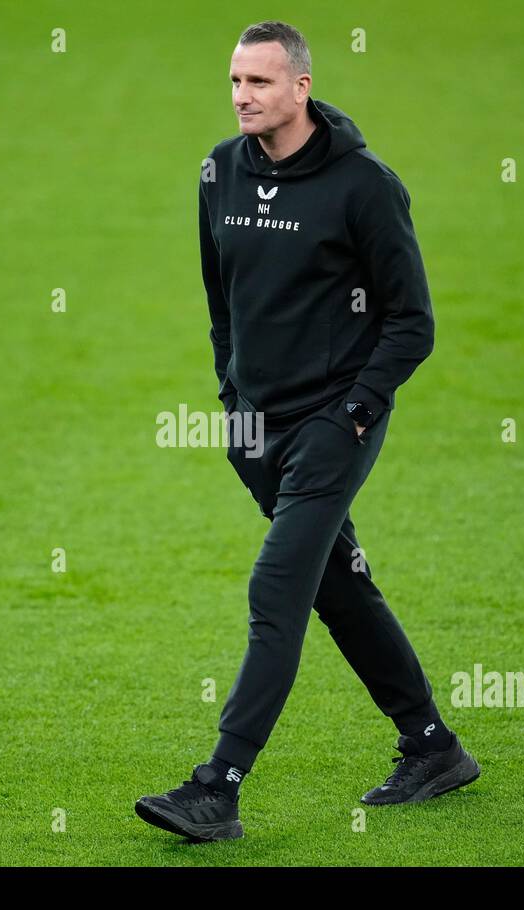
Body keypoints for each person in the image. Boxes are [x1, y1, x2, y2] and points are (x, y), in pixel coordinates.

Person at [135, 20, 480, 842]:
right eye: (234, 82)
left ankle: (217, 786)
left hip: (335, 423)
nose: (243, 96)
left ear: (302, 88)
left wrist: (356, 411)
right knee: (338, 585)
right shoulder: (218, 171)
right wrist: (231, 396)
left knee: (278, 586)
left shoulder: (363, 186)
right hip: (256, 425)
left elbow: (412, 323)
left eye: (259, 82)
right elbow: (223, 302)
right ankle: (433, 745)